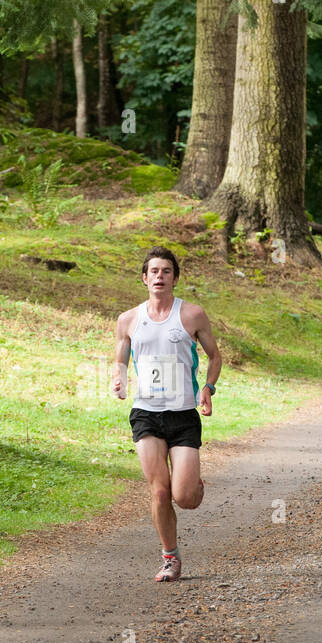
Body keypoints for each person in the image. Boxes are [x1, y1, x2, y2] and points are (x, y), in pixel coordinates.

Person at [110, 246, 222, 582]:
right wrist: (118, 378)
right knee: (159, 491)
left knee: (183, 498)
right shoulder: (128, 319)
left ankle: (191, 485)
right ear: (144, 278)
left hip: (183, 414)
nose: (160, 277)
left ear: (175, 278)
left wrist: (208, 388)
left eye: (166, 272)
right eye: (154, 271)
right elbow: (120, 358)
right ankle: (170, 558)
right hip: (146, 413)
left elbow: (215, 356)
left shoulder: (192, 315)